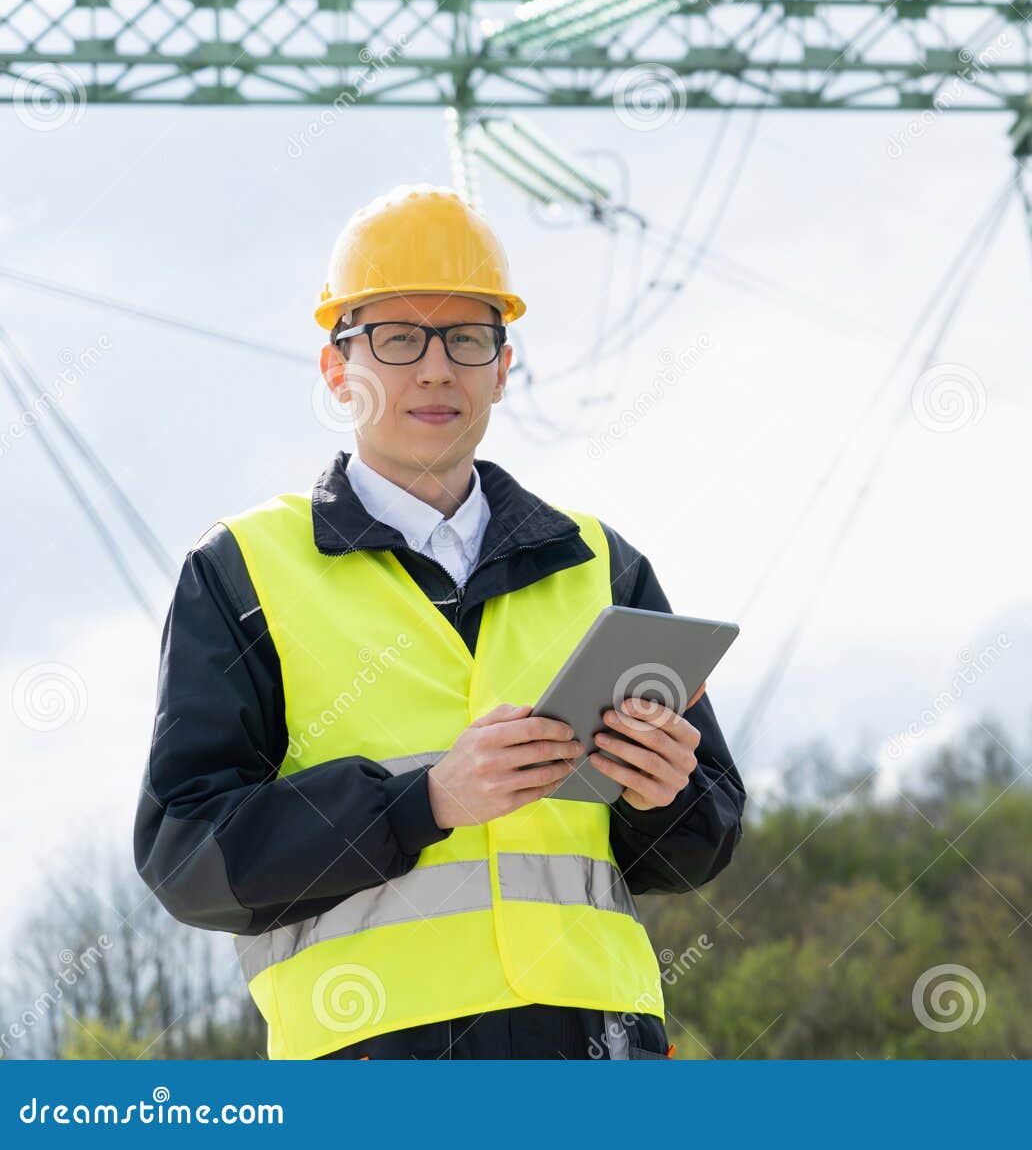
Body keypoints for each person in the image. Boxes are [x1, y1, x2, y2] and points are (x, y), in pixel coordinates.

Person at [133, 183, 744, 1060]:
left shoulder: (602, 564)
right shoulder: (242, 573)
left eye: (466, 337)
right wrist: (424, 802)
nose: (434, 368)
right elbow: (189, 860)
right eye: (397, 337)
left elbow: (697, 850)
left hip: (600, 1055)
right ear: (337, 366)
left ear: (503, 364)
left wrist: (666, 796)